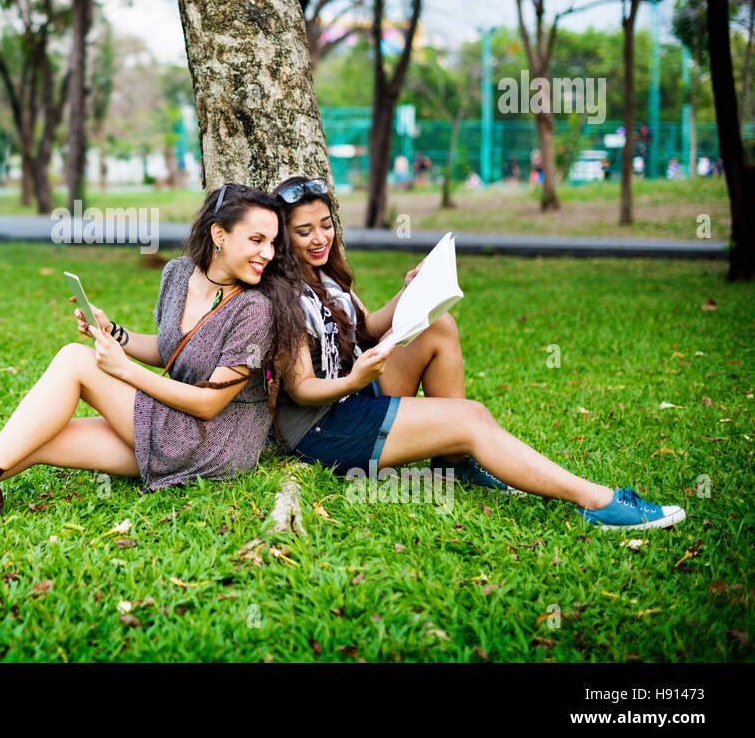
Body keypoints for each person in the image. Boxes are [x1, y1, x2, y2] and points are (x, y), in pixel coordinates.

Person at [0, 184, 307, 525]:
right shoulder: (179, 274)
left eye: (271, 243)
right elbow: (172, 350)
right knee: (33, 439)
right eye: (256, 239)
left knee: (74, 360)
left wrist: (123, 370)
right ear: (219, 236)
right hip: (167, 421)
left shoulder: (257, 308)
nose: (267, 253)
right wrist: (114, 333)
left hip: (213, 440)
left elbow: (207, 402)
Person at [266, 175, 685, 530]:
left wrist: (411, 291)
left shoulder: (325, 276)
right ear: (285, 238)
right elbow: (301, 389)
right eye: (305, 232)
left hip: (353, 394)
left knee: (439, 326)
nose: (320, 238)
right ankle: (598, 503)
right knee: (472, 417)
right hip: (325, 426)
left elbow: (368, 327)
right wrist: (356, 380)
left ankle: (454, 462)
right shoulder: (284, 295)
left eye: (326, 225)